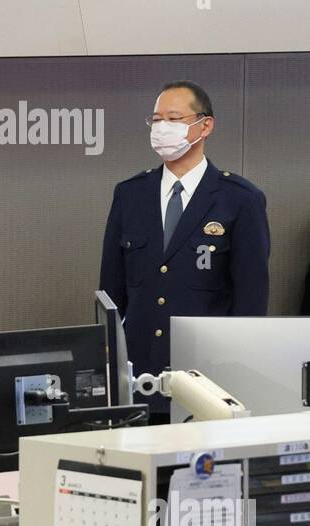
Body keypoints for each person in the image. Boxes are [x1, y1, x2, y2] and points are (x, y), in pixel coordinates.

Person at [99, 81, 269, 407]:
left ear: (205, 125)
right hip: (139, 377)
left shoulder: (239, 200)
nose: (162, 128)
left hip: (207, 379)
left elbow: (251, 301)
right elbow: (111, 292)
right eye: (156, 119)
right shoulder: (130, 194)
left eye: (174, 119)